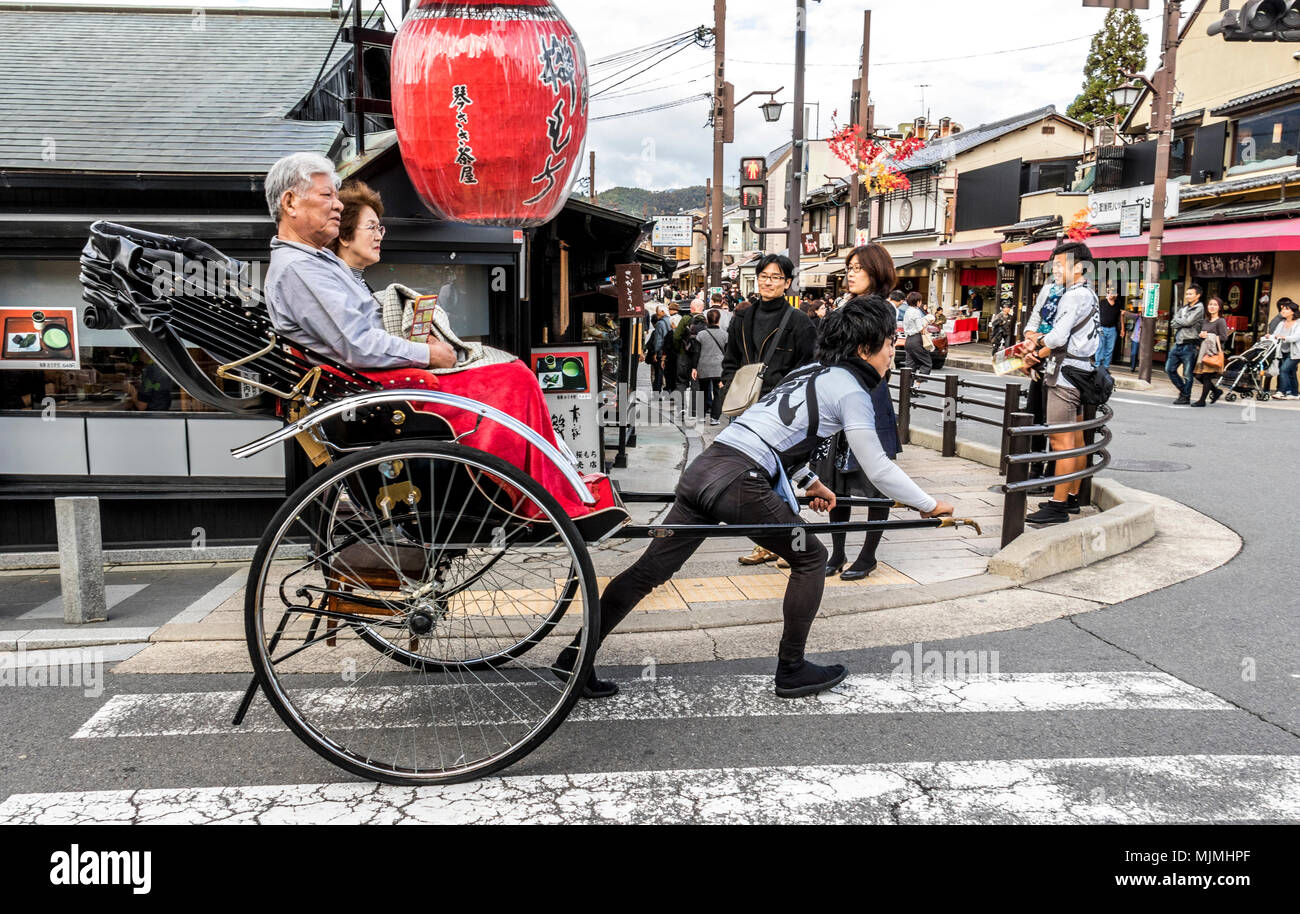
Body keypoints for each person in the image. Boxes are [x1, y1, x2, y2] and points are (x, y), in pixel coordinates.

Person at [552, 296, 955, 699]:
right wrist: (930, 504)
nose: (892, 350)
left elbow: (775, 436)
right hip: (739, 481)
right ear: (865, 347)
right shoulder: (852, 391)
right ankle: (792, 668)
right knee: (811, 557)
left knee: (648, 572)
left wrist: (811, 482)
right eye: (889, 341)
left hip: (705, 470)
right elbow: (879, 467)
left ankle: (576, 655)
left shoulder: (810, 372)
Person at [261, 156, 622, 528]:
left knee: (511, 372)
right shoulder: (300, 268)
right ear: (290, 203)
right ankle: (531, 498)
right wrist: (428, 354)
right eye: (327, 195)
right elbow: (358, 346)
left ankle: (547, 488)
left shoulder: (316, 263)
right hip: (378, 388)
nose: (337, 204)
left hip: (373, 380)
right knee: (512, 379)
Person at [720, 253, 818, 566]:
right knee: (755, 479)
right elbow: (730, 360)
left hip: (782, 411)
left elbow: (809, 367)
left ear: (787, 283)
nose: (769, 281)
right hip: (747, 408)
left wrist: (790, 399)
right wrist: (729, 387)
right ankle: (767, 543)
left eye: (776, 277)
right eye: (764, 275)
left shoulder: (800, 321)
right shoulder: (742, 317)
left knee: (785, 476)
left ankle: (793, 545)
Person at [817, 243, 902, 580]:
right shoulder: (846, 306)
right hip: (840, 398)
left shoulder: (882, 309)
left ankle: (867, 556)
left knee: (874, 480)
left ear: (875, 271)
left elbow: (857, 354)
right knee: (838, 484)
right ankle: (837, 553)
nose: (851, 273)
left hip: (868, 399)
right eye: (849, 267)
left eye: (858, 268)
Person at [1022, 240, 1100, 526]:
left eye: (1060, 265)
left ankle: (1057, 506)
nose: (1055, 270)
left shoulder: (1072, 296)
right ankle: (1071, 498)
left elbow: (1056, 338)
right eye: (1053, 265)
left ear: (1079, 268)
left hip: (1065, 374)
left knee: (1061, 440)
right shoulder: (1089, 294)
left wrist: (1036, 343)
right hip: (1082, 371)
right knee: (1076, 439)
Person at [1166, 284, 1205, 405]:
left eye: (1190, 294)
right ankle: (1184, 392)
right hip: (1178, 343)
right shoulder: (1184, 308)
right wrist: (1181, 321)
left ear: (1197, 295)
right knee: (1169, 369)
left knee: (1187, 374)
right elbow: (1172, 322)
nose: (1188, 296)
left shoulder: (1199, 308)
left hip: (1190, 344)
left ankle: (1185, 397)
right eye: (1187, 294)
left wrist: (1179, 320)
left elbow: (1188, 322)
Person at [691, 307, 729, 425]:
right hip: (719, 366)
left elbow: (696, 352)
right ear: (718, 320)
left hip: (704, 365)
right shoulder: (725, 335)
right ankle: (715, 418)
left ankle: (701, 416)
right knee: (717, 392)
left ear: (707, 320)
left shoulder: (701, 335)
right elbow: (728, 353)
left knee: (703, 390)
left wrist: (694, 367)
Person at [1191, 296, 1230, 407]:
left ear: (1220, 307)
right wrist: (1201, 336)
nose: (1212, 307)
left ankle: (1202, 400)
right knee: (1197, 375)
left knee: (1206, 376)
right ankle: (1216, 391)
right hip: (1203, 352)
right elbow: (1202, 337)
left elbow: (1224, 337)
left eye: (1215, 305)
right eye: (1210, 304)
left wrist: (1209, 335)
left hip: (1213, 352)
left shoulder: (1221, 321)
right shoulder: (1206, 321)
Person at [1267, 299, 1300, 399]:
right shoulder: (1282, 323)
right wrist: (1270, 336)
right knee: (1291, 372)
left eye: (1286, 309)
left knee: (1283, 370)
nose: (1283, 311)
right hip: (1282, 351)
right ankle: (1294, 394)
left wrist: (1283, 337)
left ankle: (1281, 392)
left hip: (1295, 352)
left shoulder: (1298, 323)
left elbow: (1295, 337)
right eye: (1283, 309)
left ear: (1292, 312)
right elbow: (1275, 335)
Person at [901, 290, 931, 397]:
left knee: (910, 366)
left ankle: (907, 390)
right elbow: (920, 328)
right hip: (916, 340)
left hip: (908, 340)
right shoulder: (916, 311)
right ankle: (916, 386)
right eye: (920, 301)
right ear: (918, 302)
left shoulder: (907, 311)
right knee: (927, 363)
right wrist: (926, 323)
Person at [1095, 287, 1123, 371]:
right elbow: (1096, 314)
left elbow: (1120, 317)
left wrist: (1122, 329)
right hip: (1101, 328)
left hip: (1112, 329)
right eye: (1109, 292)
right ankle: (1097, 365)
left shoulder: (1118, 305)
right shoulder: (1102, 303)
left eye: (1112, 293)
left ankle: (1106, 367)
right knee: (1100, 347)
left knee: (1109, 349)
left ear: (1116, 295)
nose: (1111, 294)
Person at [648, 307, 670, 393]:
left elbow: (658, 340)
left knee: (658, 374)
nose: (657, 315)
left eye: (658, 313)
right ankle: (668, 391)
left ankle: (657, 392)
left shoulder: (660, 324)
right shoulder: (670, 320)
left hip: (661, 351)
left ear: (662, 312)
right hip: (669, 351)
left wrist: (656, 352)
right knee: (667, 374)